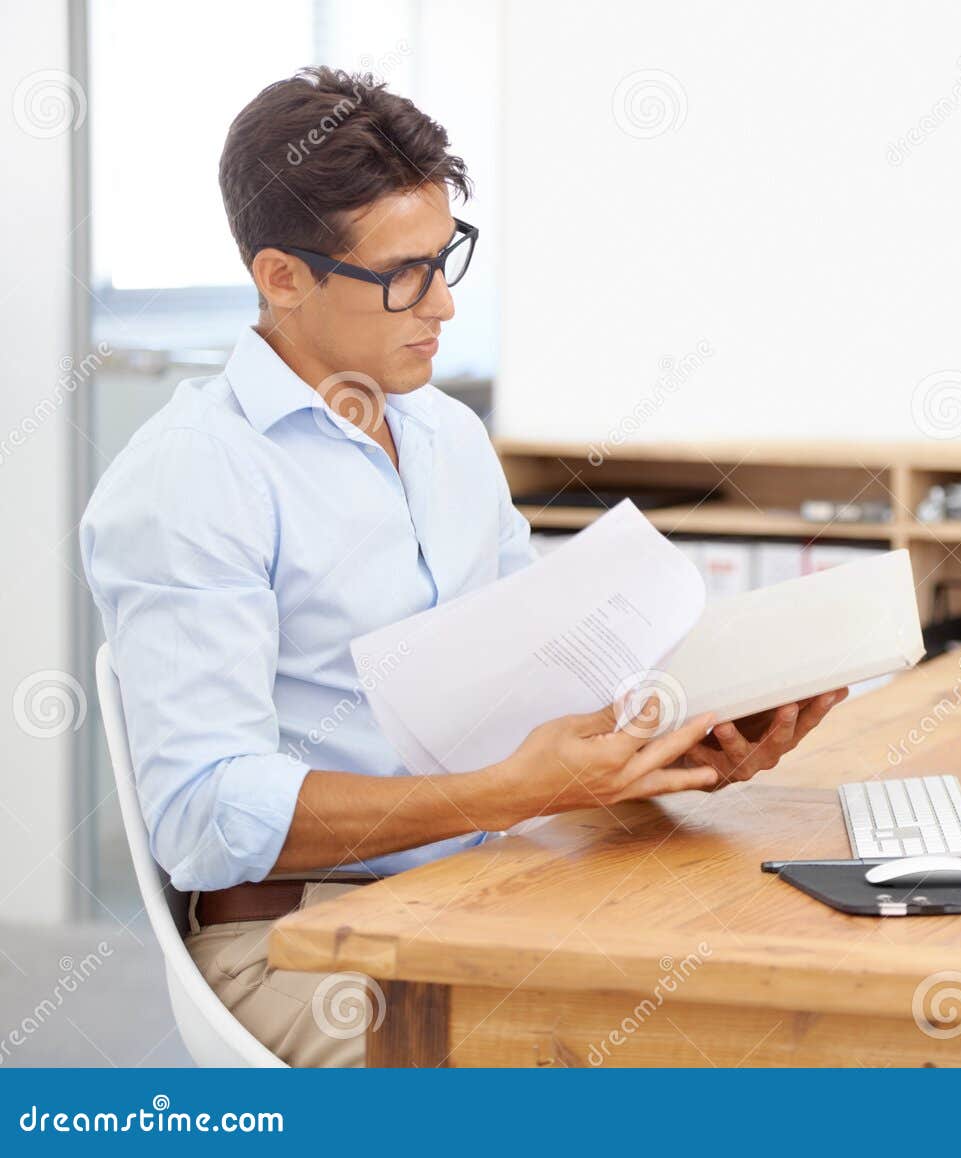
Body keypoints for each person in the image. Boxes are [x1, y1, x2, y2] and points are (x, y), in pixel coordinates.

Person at [79, 67, 843, 1067]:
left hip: (483, 886)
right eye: (404, 274)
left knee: (777, 1007)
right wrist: (508, 794)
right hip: (298, 938)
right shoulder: (192, 477)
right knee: (654, 1061)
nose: (441, 303)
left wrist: (688, 741)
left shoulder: (446, 436)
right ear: (282, 277)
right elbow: (204, 816)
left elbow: (541, 690)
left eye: (446, 258)